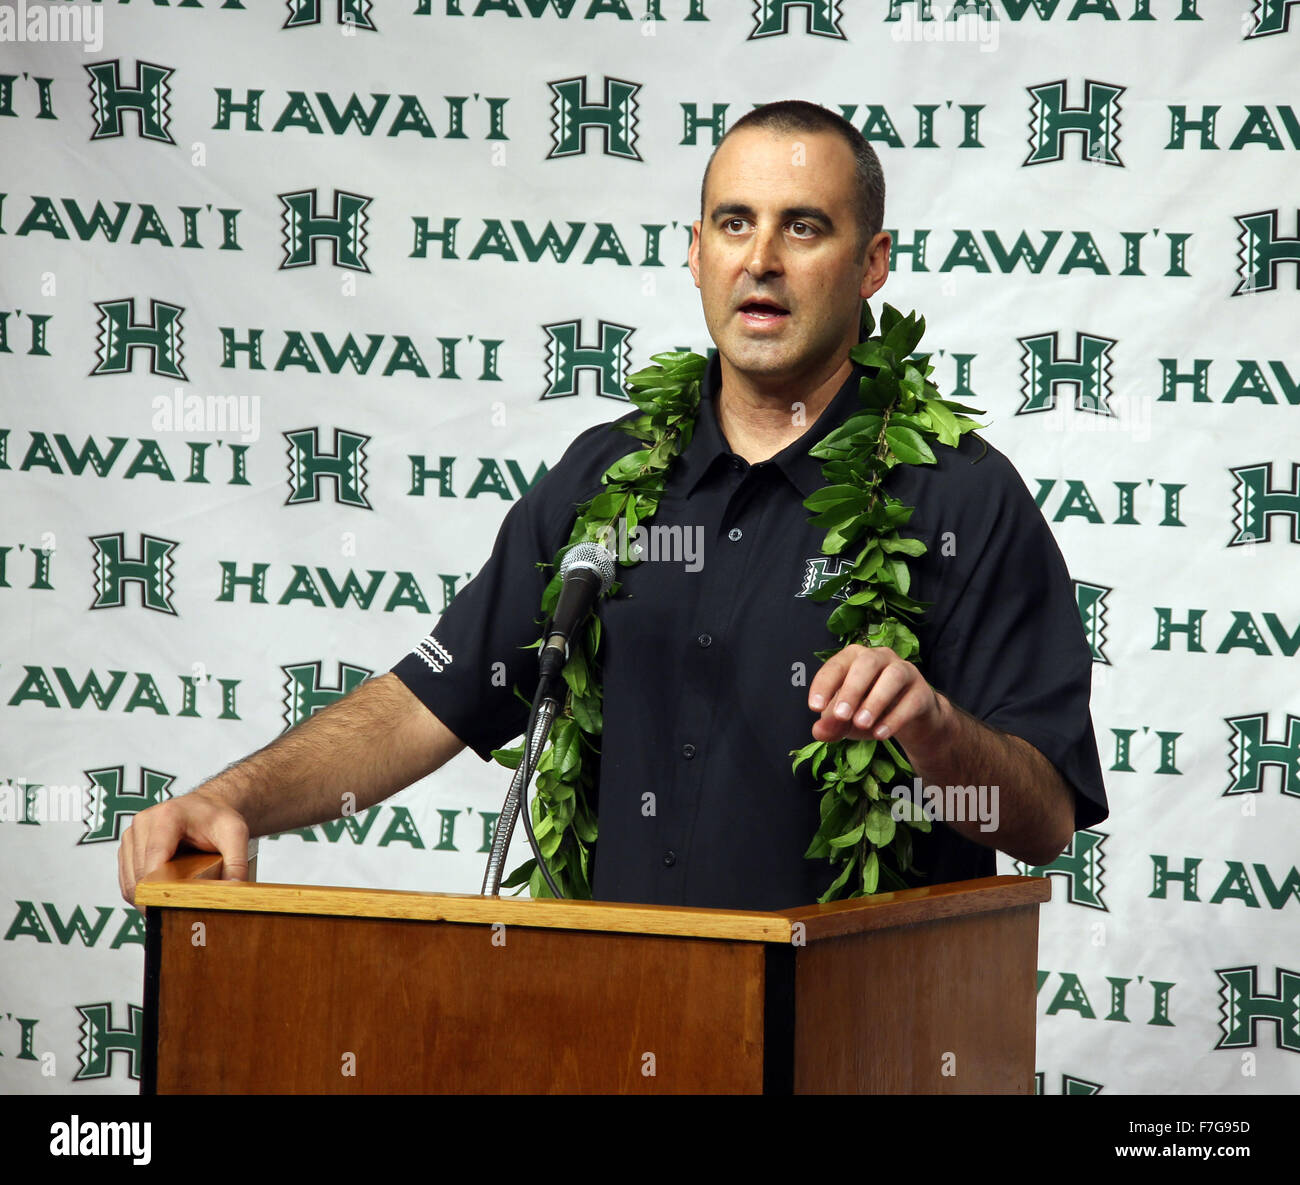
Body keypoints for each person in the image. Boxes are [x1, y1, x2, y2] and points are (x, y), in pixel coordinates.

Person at [119, 100, 1107, 911]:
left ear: (871, 265)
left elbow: (1041, 820)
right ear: (695, 253)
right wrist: (228, 796)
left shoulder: (965, 498)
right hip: (617, 1021)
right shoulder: (607, 477)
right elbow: (425, 705)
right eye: (734, 222)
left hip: (856, 1036)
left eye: (803, 226)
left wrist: (933, 726)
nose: (760, 257)